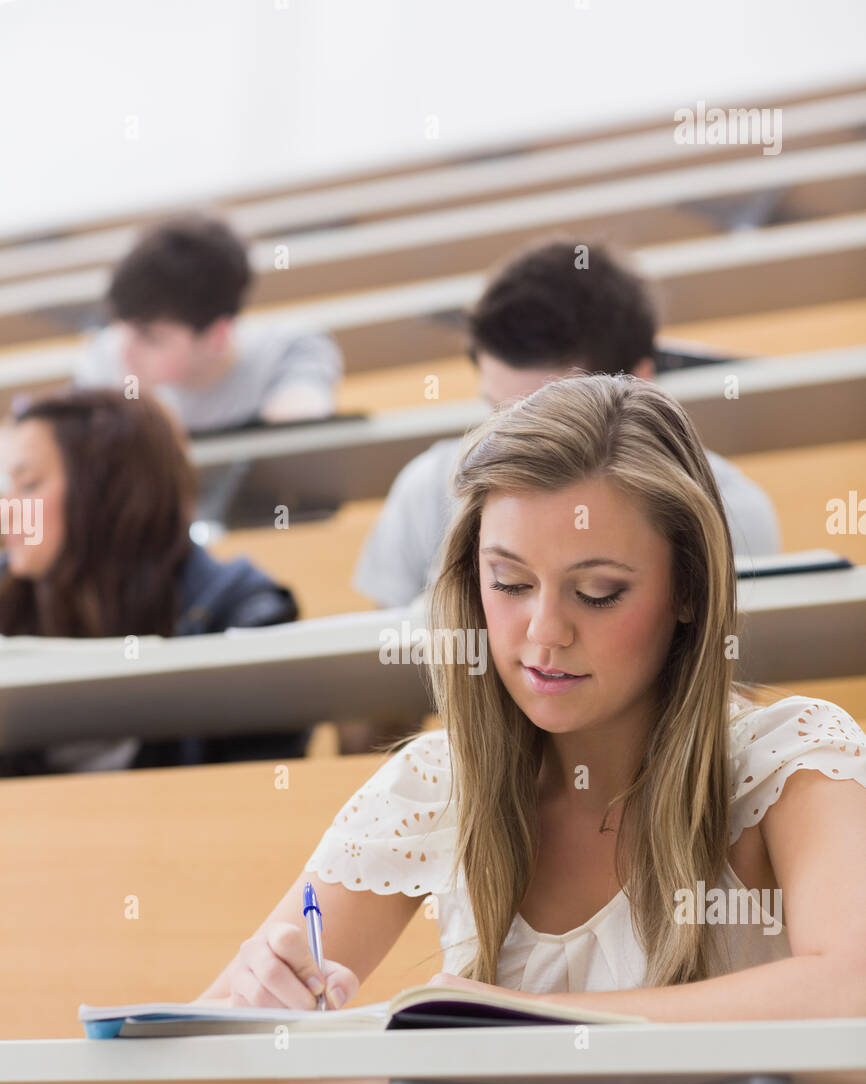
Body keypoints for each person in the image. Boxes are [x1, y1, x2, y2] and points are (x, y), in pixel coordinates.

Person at [197, 374, 866, 1084]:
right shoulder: (436, 781)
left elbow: (851, 989)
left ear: (689, 592)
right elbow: (216, 1046)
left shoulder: (789, 759)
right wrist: (262, 997)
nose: (542, 635)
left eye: (597, 593)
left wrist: (522, 1027)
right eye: (508, 584)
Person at [351, 239, 782, 610]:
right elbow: (386, 691)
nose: (508, 443)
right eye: (496, 412)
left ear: (639, 382)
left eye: (548, 416)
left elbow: (721, 688)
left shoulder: (728, 512)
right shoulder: (430, 488)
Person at [0, 389, 310, 774]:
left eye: (27, 486)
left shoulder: (244, 616)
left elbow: (257, 805)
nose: (6, 511)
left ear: (108, 494)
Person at [73, 215, 343, 433]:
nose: (126, 350)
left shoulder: (289, 352)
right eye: (122, 326)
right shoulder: (103, 364)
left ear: (216, 336)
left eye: (150, 337)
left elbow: (297, 446)